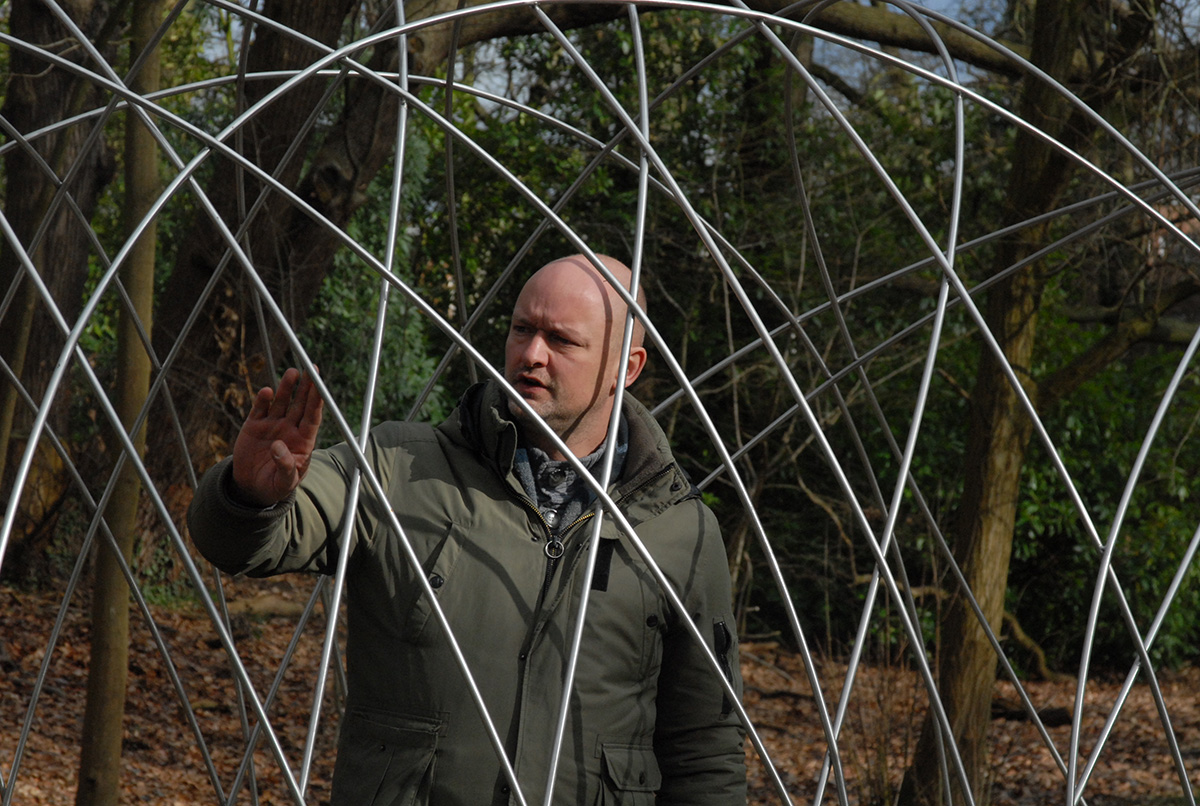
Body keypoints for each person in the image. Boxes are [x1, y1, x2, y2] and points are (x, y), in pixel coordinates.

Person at [188, 254, 747, 805]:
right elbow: (248, 543)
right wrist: (250, 494)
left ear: (627, 368)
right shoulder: (398, 466)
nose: (530, 354)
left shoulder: (678, 530)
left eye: (561, 341)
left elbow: (704, 747)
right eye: (521, 329)